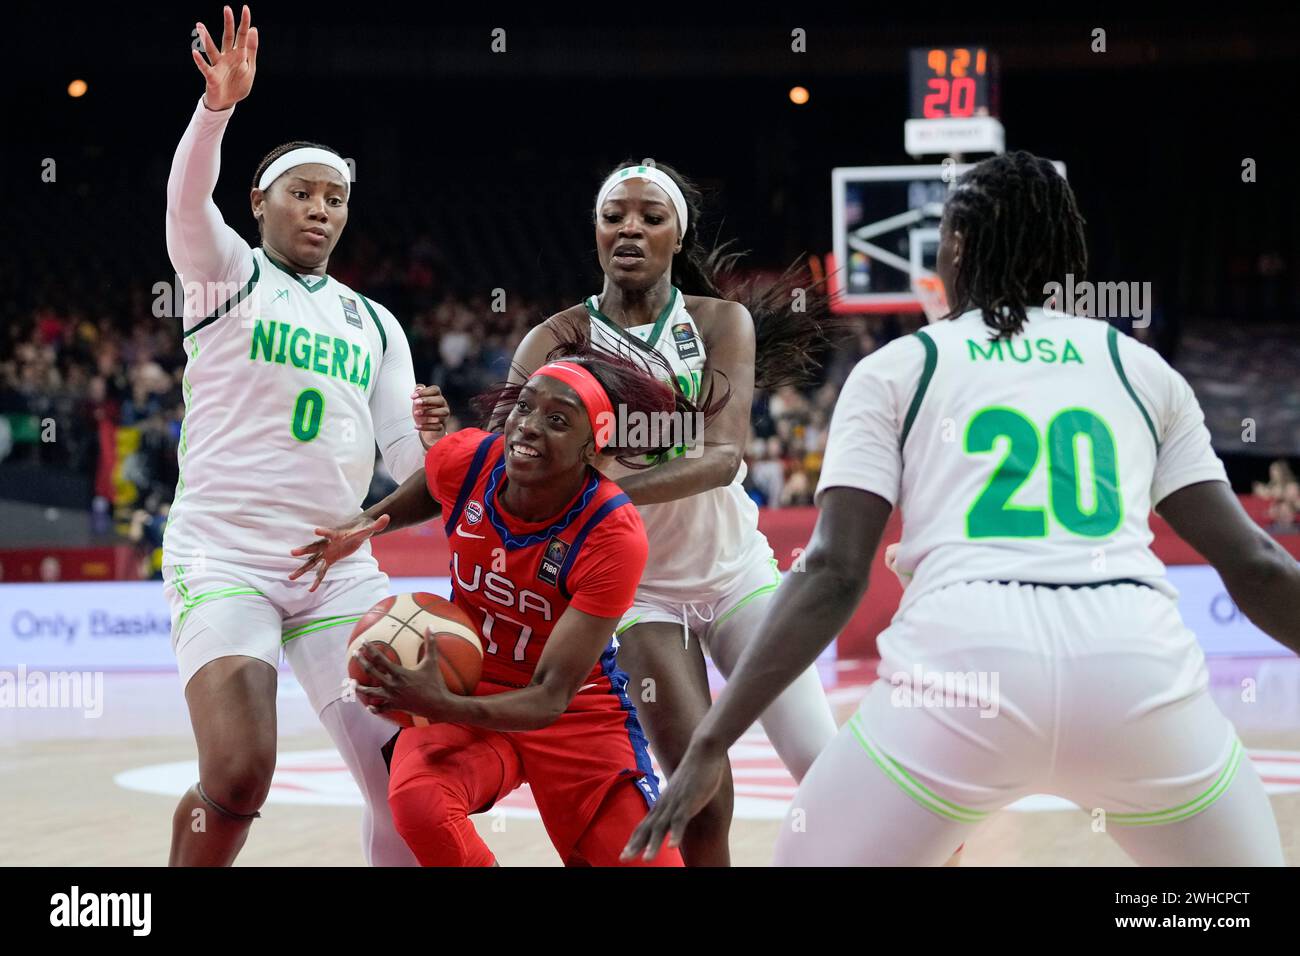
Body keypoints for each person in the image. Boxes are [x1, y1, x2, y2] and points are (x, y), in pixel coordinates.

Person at [624, 151, 1300, 866]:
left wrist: (712, 741)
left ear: (956, 248)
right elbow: (1255, 563)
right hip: (1134, 668)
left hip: (962, 672)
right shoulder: (1141, 369)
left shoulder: (899, 367)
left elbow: (830, 573)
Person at [414, 159, 840, 865]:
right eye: (615, 215)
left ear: (680, 235)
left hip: (737, 576)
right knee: (703, 799)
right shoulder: (553, 339)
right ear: (596, 231)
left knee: (825, 769)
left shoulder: (720, 321)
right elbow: (510, 472)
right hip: (639, 594)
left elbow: (725, 456)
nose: (631, 228)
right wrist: (447, 454)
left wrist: (599, 491)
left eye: (651, 216)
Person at [162, 5, 448, 866]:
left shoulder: (374, 321)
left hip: (338, 568)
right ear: (260, 202)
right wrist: (218, 109)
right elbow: (185, 195)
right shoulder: (224, 273)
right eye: (302, 194)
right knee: (242, 772)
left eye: (335, 199)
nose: (321, 211)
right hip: (226, 556)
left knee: (413, 770)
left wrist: (444, 450)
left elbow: (409, 465)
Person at [294, 341, 725, 865]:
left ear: (593, 447)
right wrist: (364, 525)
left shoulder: (612, 532)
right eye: (525, 406)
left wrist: (439, 705)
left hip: (571, 712)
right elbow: (434, 484)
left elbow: (549, 697)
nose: (528, 425)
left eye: (558, 421)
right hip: (470, 679)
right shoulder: (470, 457)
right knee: (418, 803)